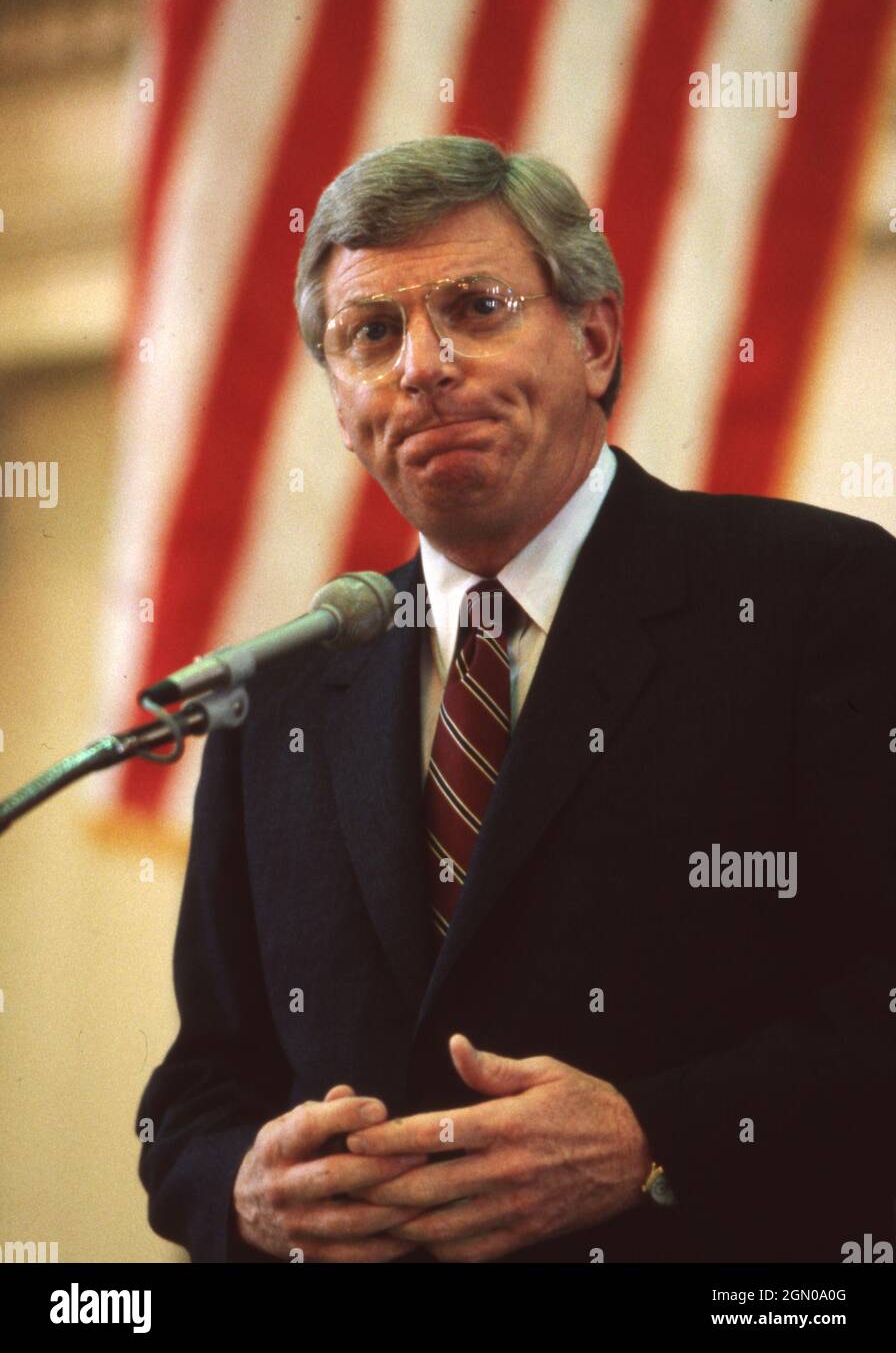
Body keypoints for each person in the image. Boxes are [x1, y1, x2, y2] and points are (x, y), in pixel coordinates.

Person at [136, 136, 896, 1264]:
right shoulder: (283, 686)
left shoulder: (810, 597)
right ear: (342, 408)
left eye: (476, 308)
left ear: (591, 339)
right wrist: (243, 1193)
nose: (423, 365)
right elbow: (199, 1088)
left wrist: (654, 1138)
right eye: (371, 334)